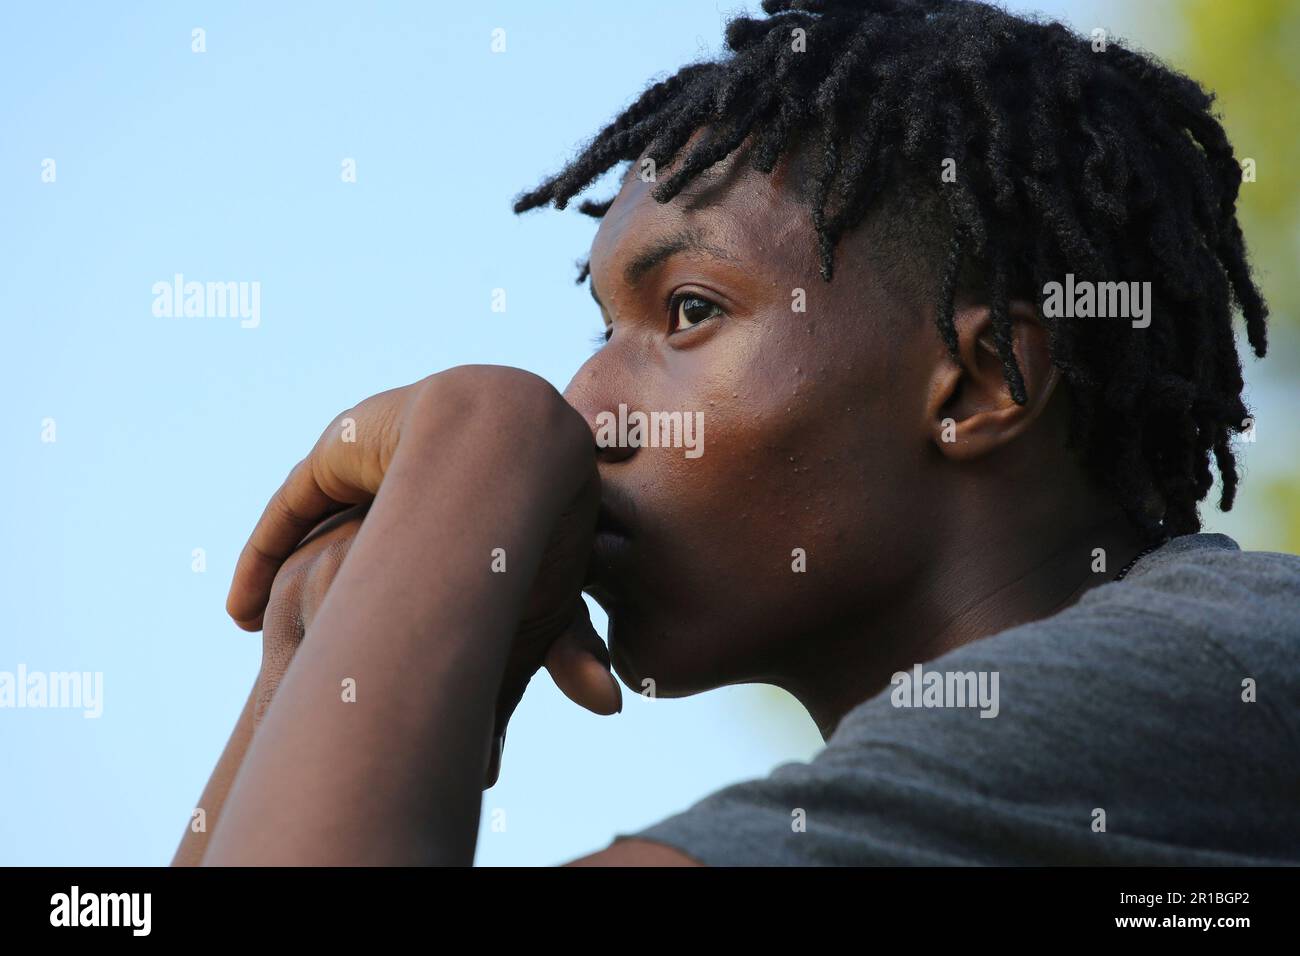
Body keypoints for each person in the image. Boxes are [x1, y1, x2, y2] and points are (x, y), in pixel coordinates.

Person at [174, 0, 1300, 866]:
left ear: (979, 383)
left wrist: (476, 446)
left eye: (690, 311)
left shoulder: (1215, 666)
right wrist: (316, 644)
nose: (580, 407)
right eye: (601, 325)